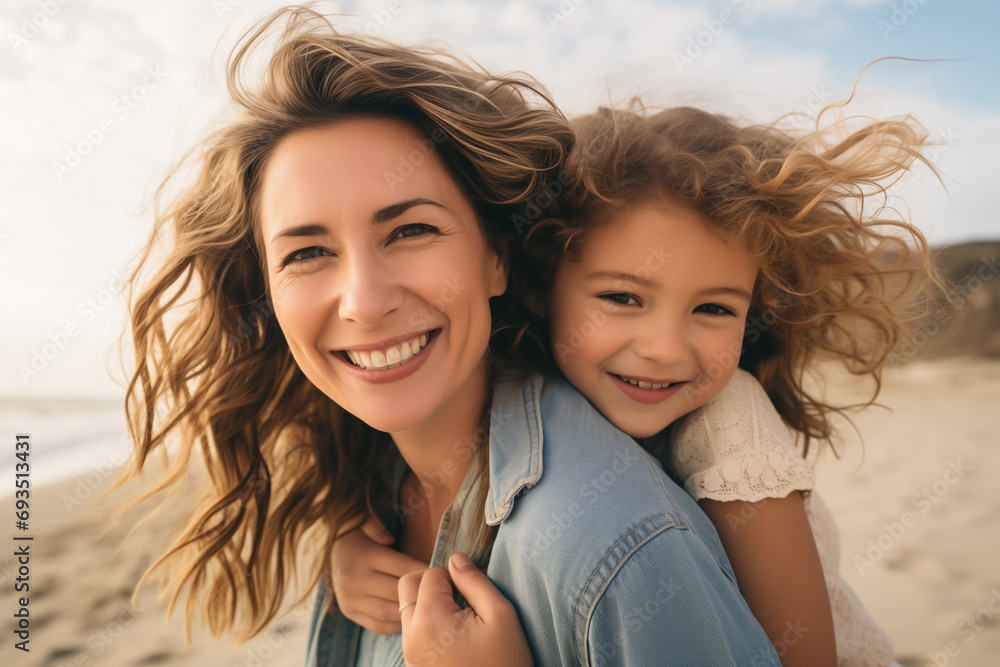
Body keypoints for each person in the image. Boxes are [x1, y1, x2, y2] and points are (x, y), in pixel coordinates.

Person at [116, 6, 778, 667]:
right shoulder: (368, 481)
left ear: (495, 255)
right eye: (308, 252)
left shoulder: (616, 544)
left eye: (410, 231)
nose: (365, 302)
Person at [337, 105, 944, 666]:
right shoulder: (526, 376)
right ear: (539, 286)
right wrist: (349, 547)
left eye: (714, 309)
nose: (666, 348)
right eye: (622, 297)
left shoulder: (732, 426)